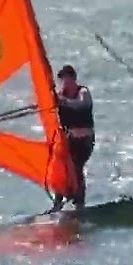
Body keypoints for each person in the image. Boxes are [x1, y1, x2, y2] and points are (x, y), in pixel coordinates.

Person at [50, 64, 94, 211]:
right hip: (68, 140)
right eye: (62, 79)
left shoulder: (83, 92)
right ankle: (58, 202)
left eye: (67, 78)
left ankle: (80, 203)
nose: (65, 82)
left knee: (76, 167)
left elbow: (82, 104)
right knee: (60, 168)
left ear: (73, 78)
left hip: (84, 141)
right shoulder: (61, 95)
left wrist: (64, 101)